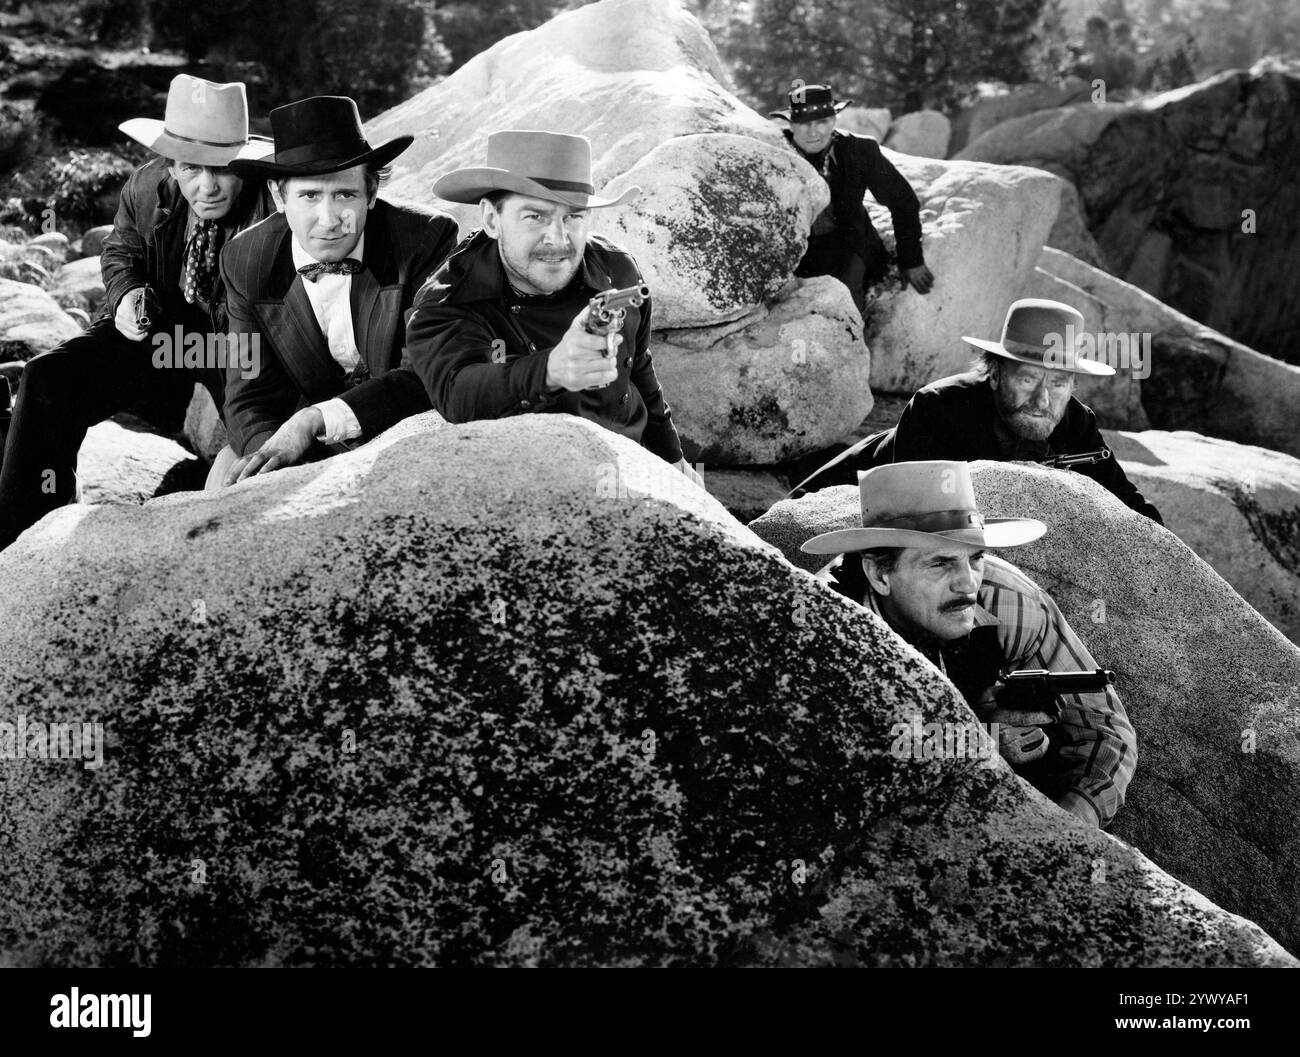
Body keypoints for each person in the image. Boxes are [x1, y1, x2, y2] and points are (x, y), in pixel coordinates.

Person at [0, 74, 274, 550]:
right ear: (171, 163)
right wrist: (127, 293)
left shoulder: (275, 201)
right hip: (161, 333)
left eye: (222, 169)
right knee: (48, 379)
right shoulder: (147, 184)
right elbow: (120, 248)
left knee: (258, 457)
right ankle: (25, 539)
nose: (207, 187)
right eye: (191, 168)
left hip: (238, 344)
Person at [802, 461, 1137, 829]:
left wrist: (1069, 829)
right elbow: (834, 761)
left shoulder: (1011, 602)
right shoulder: (827, 628)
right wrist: (981, 742)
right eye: (941, 563)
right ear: (880, 574)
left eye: (975, 557)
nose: (967, 584)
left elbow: (1106, 732)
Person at [405, 130, 698, 483]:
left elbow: (639, 369)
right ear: (491, 220)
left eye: (573, 216)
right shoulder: (448, 299)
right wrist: (552, 370)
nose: (558, 240)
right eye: (536, 217)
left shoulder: (617, 270)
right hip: (525, 483)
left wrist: (675, 462)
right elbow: (457, 393)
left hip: (625, 469)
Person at [212, 96, 460, 485]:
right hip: (303, 444)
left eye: (345, 195)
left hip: (402, 427)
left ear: (372, 193)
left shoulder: (426, 239)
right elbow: (248, 395)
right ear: (279, 196)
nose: (328, 220)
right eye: (309, 195)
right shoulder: (245, 260)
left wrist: (315, 420)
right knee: (224, 482)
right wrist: (281, 464)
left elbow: (426, 372)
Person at [795, 299, 1162, 522]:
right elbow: (909, 513)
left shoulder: (1078, 423)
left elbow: (1133, 509)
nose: (1042, 402)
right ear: (996, 374)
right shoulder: (939, 407)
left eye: (1057, 383)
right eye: (1028, 380)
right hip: (840, 503)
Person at [769, 82, 933, 314]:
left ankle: (853, 341)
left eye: (822, 122)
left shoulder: (860, 151)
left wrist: (911, 260)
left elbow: (903, 200)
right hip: (797, 253)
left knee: (845, 296)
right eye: (804, 124)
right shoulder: (774, 152)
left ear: (834, 121)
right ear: (791, 124)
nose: (813, 131)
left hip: (849, 245)